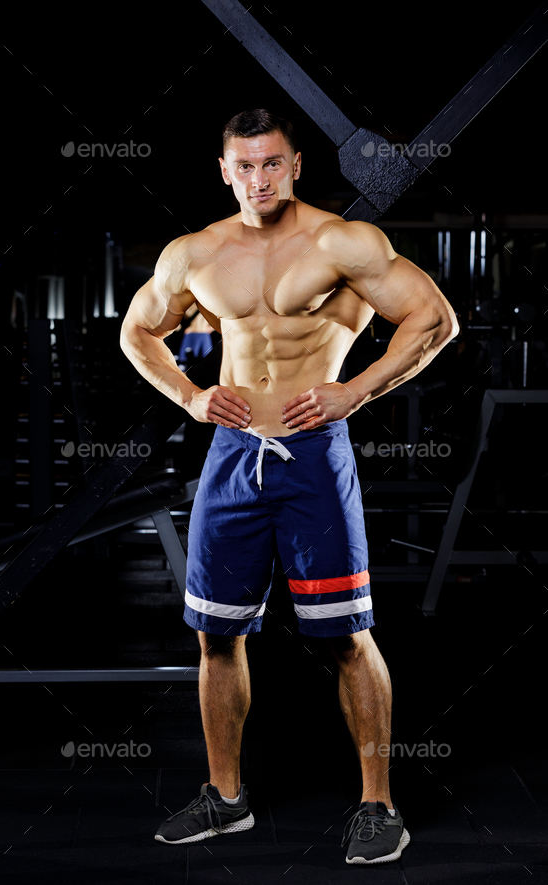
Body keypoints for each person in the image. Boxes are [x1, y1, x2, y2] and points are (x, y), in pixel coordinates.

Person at [120, 108, 459, 865]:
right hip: (233, 455)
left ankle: (379, 804)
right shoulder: (196, 253)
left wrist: (357, 391)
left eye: (272, 163)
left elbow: (434, 319)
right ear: (223, 170)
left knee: (344, 632)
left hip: (313, 453)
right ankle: (225, 797)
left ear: (297, 165)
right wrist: (190, 397)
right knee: (214, 629)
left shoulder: (343, 241)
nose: (258, 179)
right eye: (244, 166)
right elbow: (138, 330)